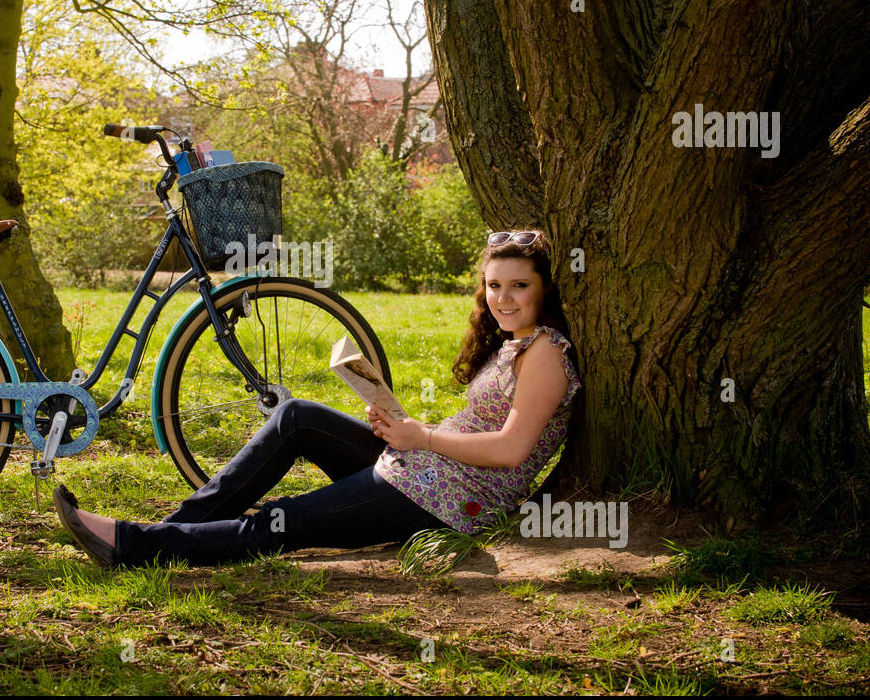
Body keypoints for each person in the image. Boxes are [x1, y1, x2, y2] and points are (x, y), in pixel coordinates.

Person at [53, 229, 582, 568]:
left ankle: (133, 546)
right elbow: (478, 426)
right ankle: (174, 530)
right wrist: (408, 426)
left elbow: (513, 450)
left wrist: (422, 436)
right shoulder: (514, 345)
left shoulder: (546, 354)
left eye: (518, 286)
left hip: (446, 502)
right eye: (493, 286)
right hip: (426, 467)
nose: (502, 299)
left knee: (281, 522)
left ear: (544, 290)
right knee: (296, 417)